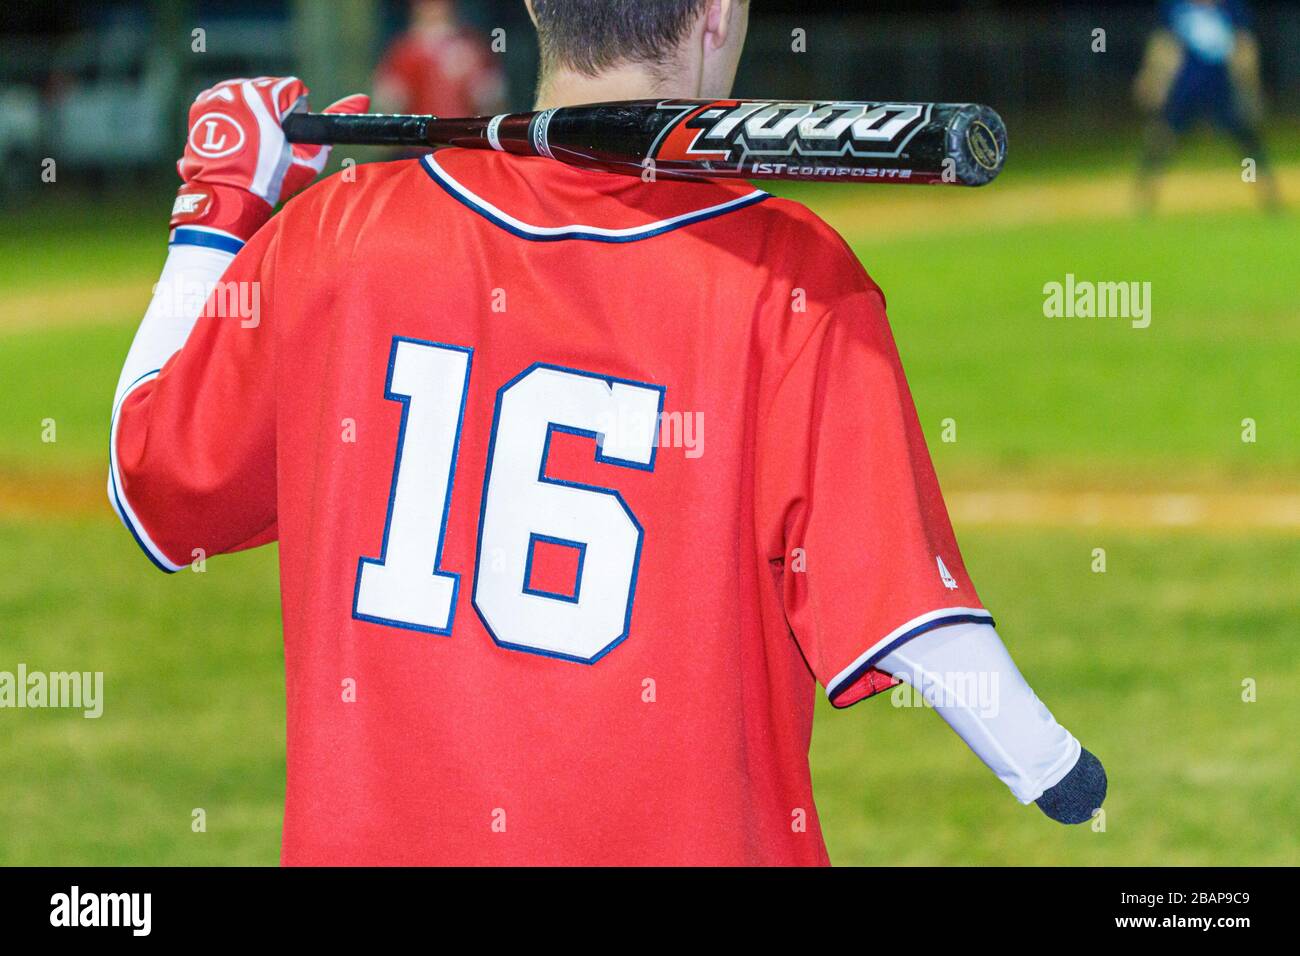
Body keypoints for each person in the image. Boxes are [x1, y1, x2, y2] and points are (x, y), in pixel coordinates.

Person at [108, 0, 1104, 866]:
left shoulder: (333, 236)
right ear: (714, 14)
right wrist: (1057, 765)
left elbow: (149, 479)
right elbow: (915, 620)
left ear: (540, 8)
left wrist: (217, 210)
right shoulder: (790, 278)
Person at [1134, 0, 1282, 211]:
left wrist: (1249, 87)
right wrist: (1154, 77)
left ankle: (1268, 194)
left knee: (1247, 141)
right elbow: (1164, 44)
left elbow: (1244, 46)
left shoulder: (1231, 7)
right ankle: (1144, 196)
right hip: (1185, 88)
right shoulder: (1176, 7)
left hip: (1222, 87)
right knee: (1162, 138)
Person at [373, 0, 506, 118]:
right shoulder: (404, 50)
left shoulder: (472, 47)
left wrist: (481, 88)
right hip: (420, 141)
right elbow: (389, 101)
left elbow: (492, 97)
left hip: (464, 138)